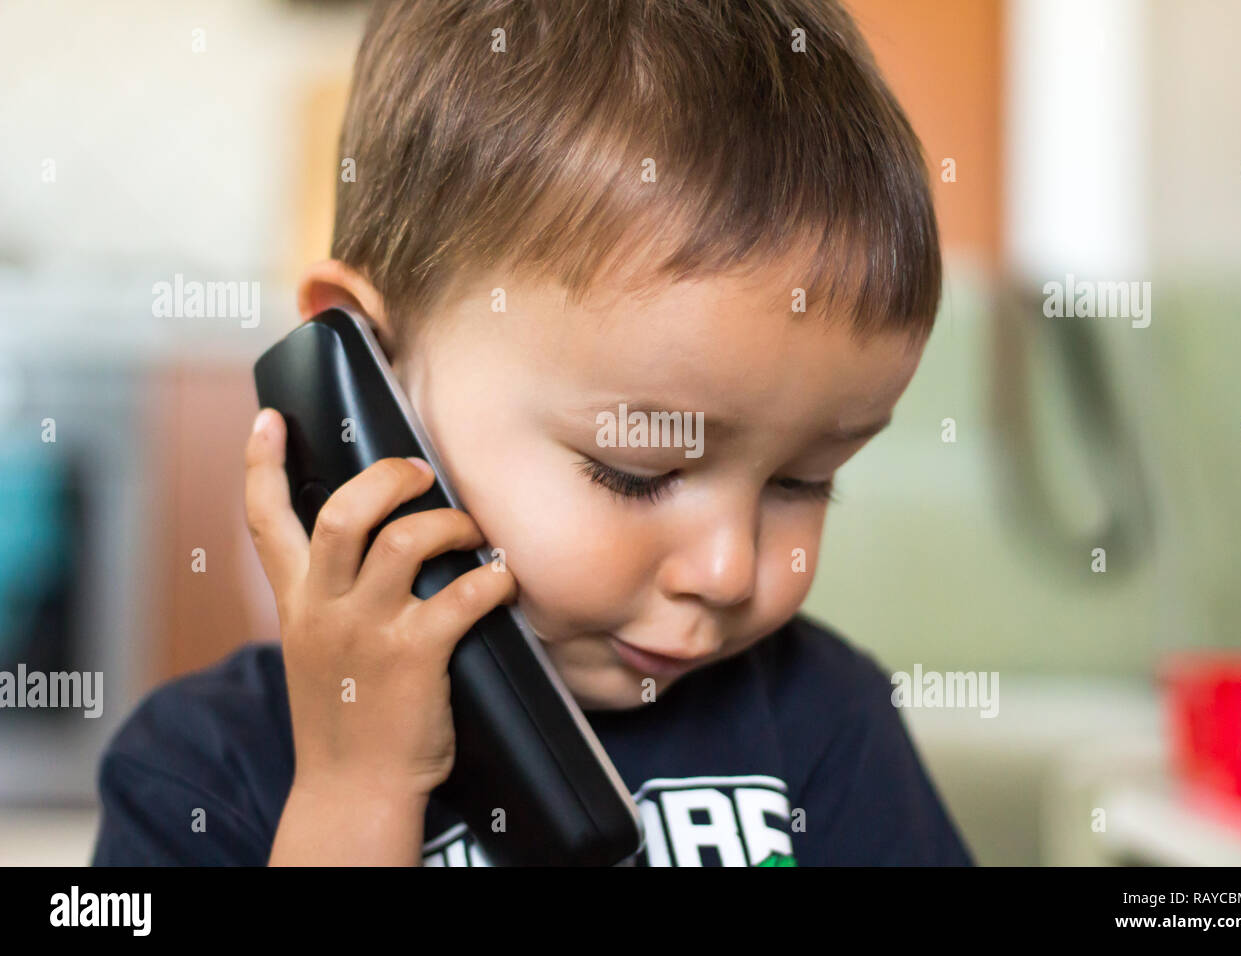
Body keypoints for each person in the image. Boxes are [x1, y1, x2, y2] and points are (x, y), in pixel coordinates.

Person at [92, 0, 974, 867]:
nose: (729, 571)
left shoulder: (827, 725)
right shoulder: (199, 776)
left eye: (805, 481)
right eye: (635, 471)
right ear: (369, 381)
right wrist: (356, 790)